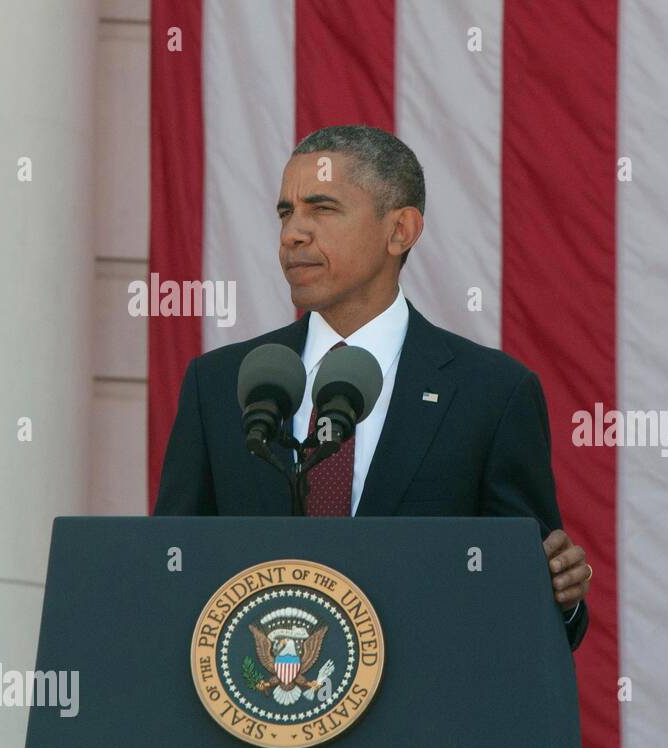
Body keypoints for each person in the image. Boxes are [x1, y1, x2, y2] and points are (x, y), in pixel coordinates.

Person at [154, 125, 590, 650]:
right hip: (257, 710)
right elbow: (169, 572)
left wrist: (560, 598)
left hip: (421, 722)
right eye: (286, 213)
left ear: (400, 230)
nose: (293, 233)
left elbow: (524, 603)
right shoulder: (222, 384)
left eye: (322, 208)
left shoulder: (491, 395)